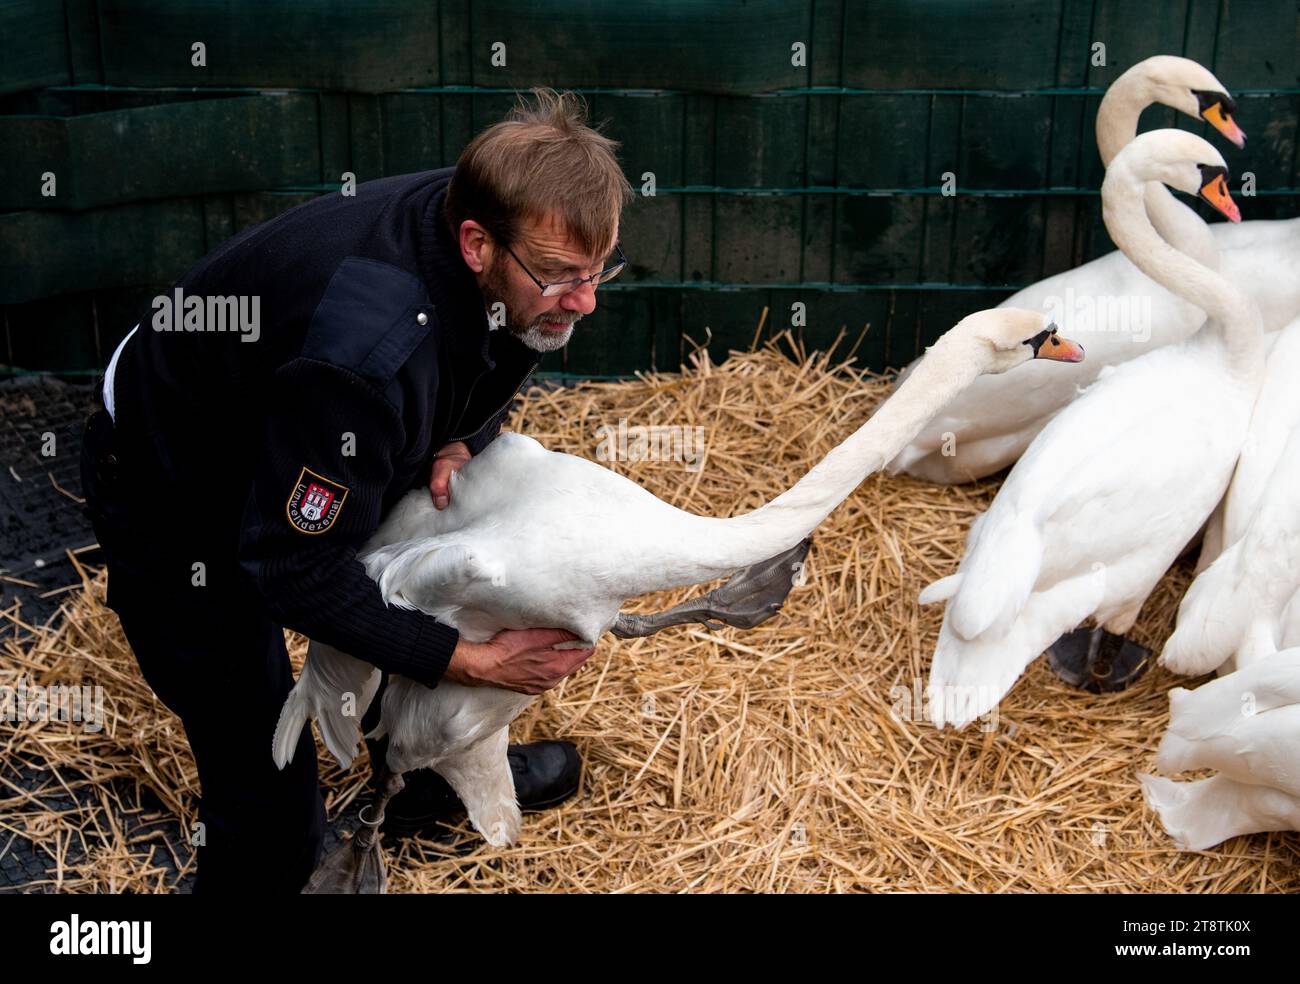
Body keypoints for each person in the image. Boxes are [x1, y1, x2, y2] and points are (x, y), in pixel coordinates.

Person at [78, 88, 634, 893]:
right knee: (261, 757)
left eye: (597, 270)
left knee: (416, 577)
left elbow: (504, 344)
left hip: (308, 424)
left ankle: (421, 782)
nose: (584, 301)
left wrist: (463, 434)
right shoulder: (364, 361)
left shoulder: (505, 215)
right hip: (177, 483)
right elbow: (291, 570)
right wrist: (467, 660)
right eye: (559, 277)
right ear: (476, 245)